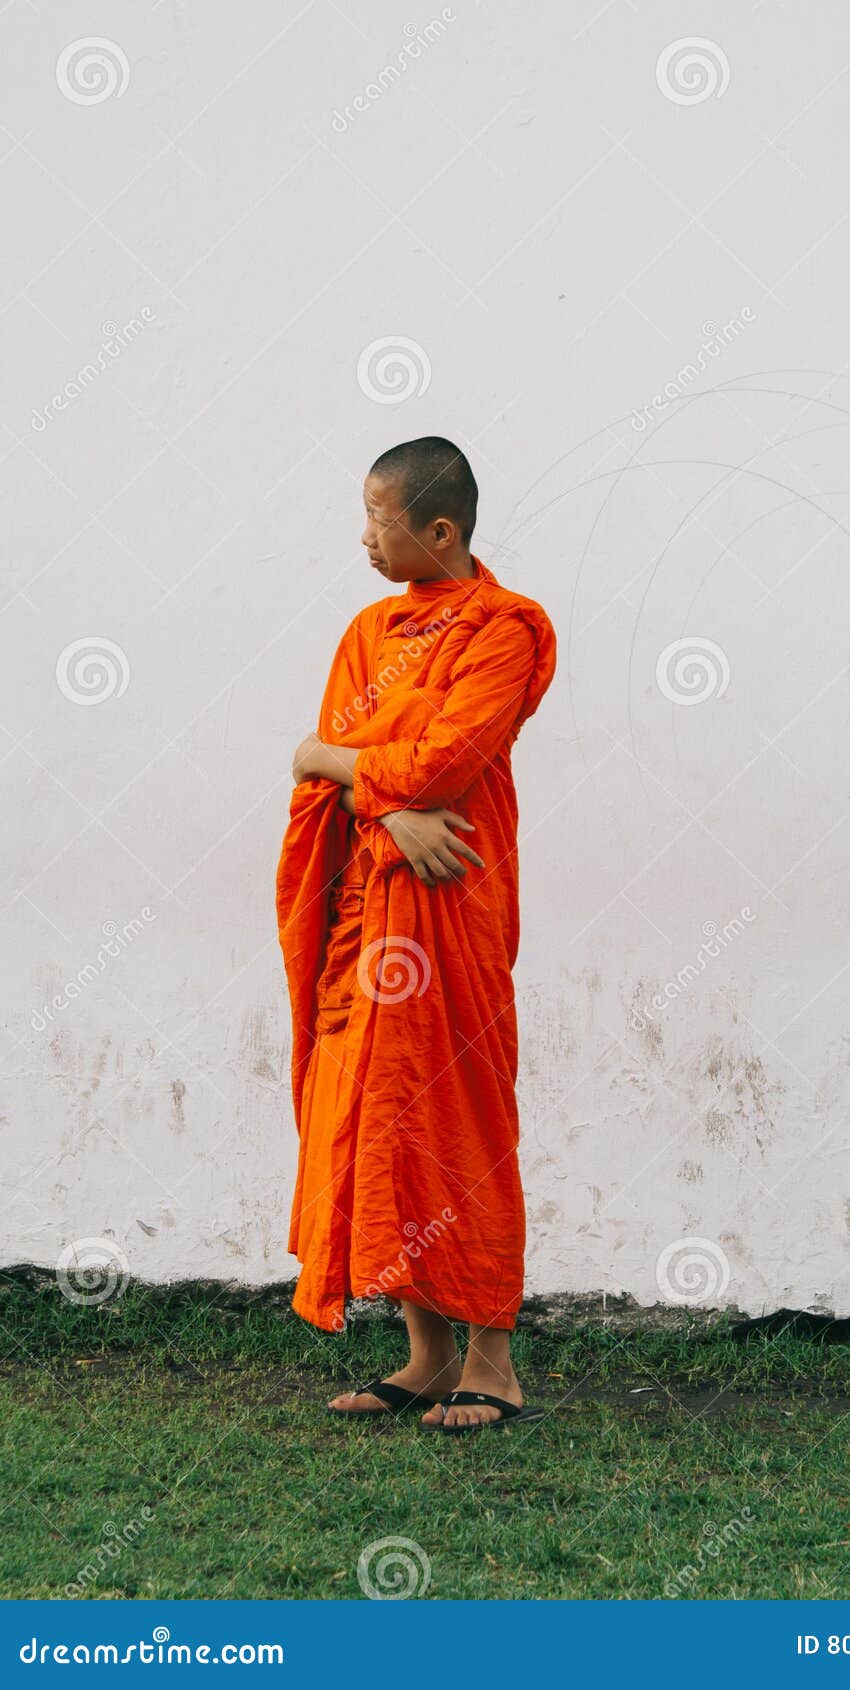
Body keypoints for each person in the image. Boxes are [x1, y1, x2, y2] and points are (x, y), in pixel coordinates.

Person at [277, 436, 556, 1431]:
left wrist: (335, 763)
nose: (363, 536)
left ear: (439, 530)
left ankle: (493, 1361)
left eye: (376, 517)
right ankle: (427, 1355)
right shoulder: (368, 631)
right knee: (375, 1114)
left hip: (452, 897)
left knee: (459, 1111)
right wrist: (380, 805)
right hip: (370, 898)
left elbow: (444, 759)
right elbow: (337, 773)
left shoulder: (504, 629)